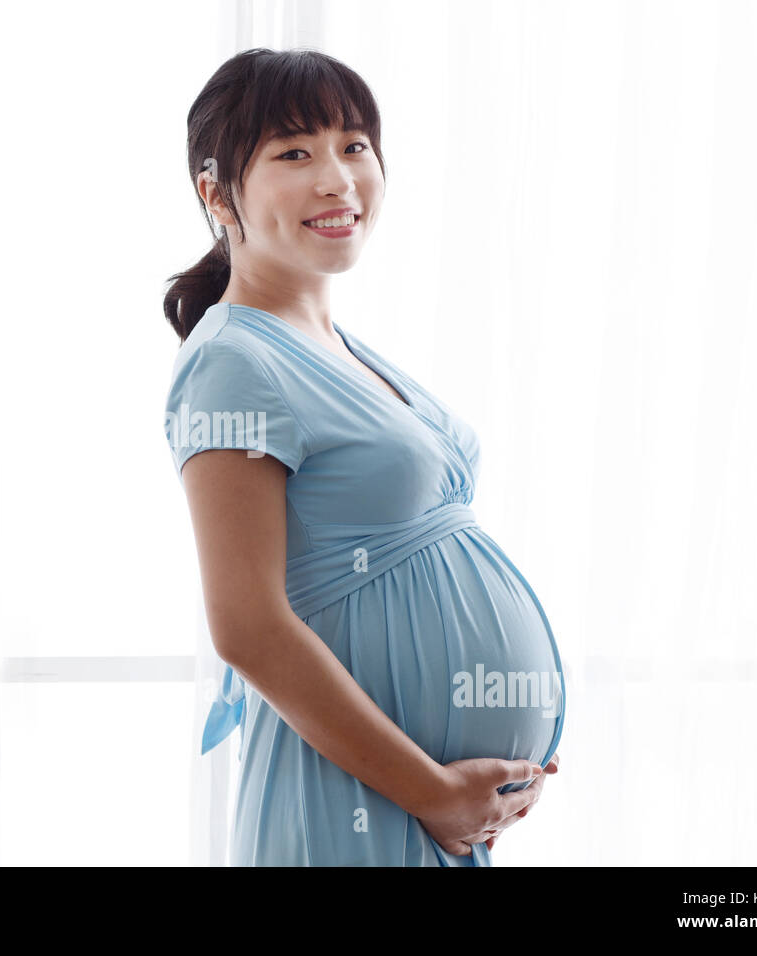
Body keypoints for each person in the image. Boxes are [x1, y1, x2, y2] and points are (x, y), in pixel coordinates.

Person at [162, 47, 564, 866]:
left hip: (422, 811)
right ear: (217, 194)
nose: (337, 179)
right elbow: (247, 626)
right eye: (294, 153)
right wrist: (430, 792)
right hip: (346, 801)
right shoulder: (234, 362)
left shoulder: (341, 348)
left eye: (354, 145)